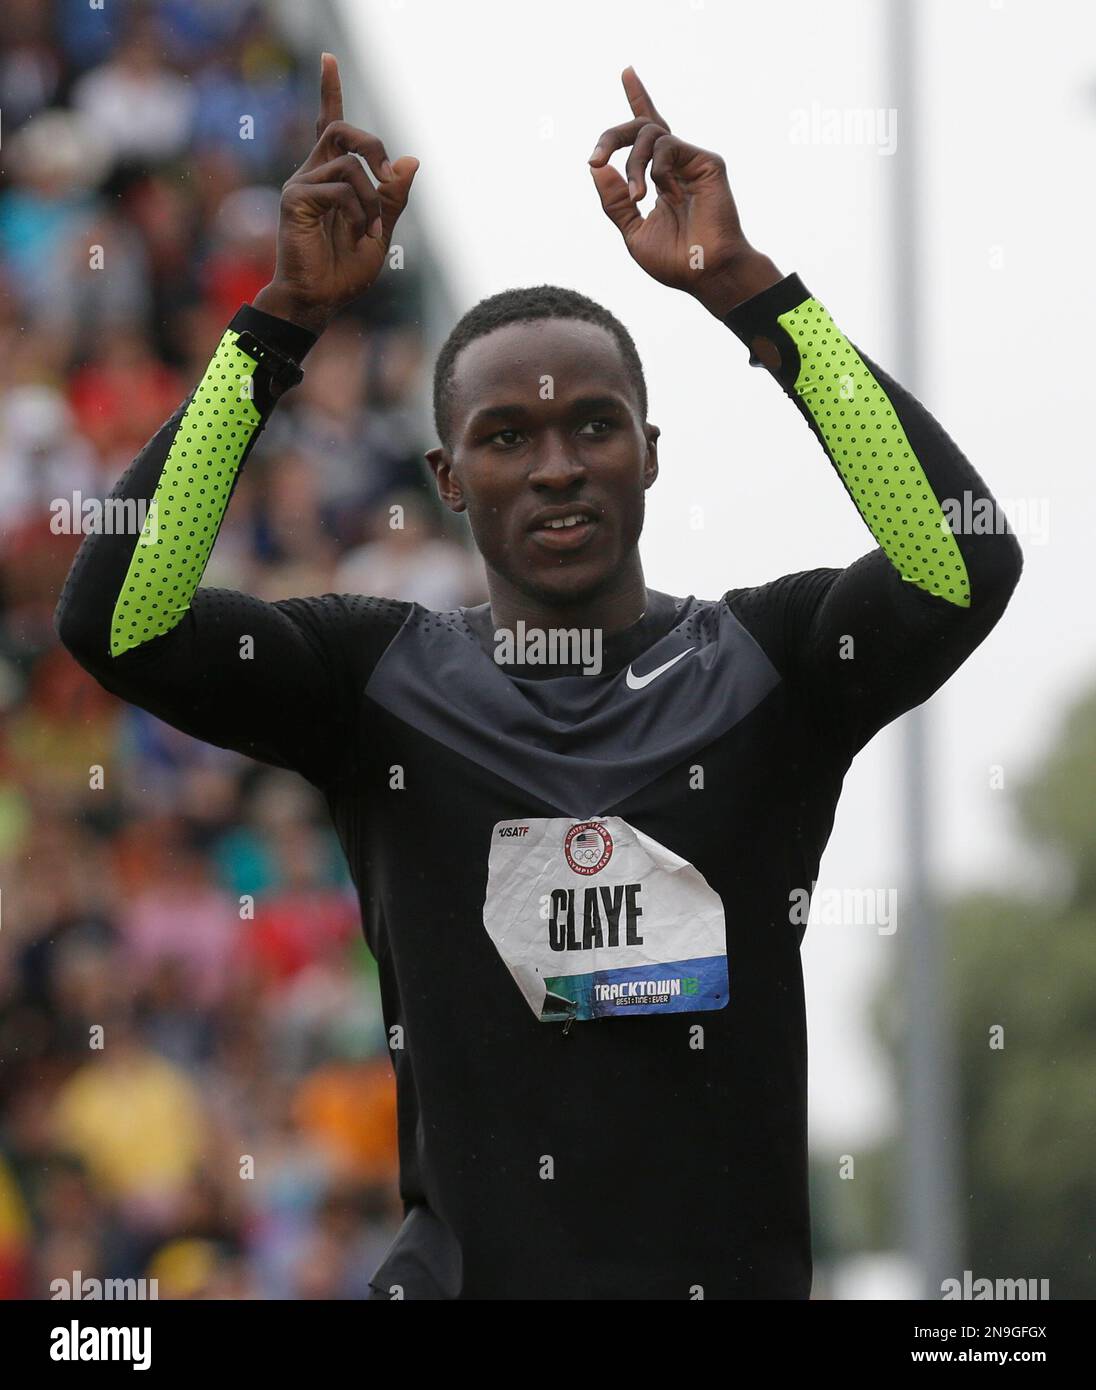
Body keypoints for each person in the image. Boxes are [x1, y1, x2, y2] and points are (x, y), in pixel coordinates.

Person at [55, 54, 1022, 1299]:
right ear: (449, 480)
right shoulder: (375, 686)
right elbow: (119, 617)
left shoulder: (768, 670)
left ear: (649, 454)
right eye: (506, 437)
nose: (556, 464)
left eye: (593, 427)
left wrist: (751, 293)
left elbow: (960, 558)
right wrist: (278, 325)